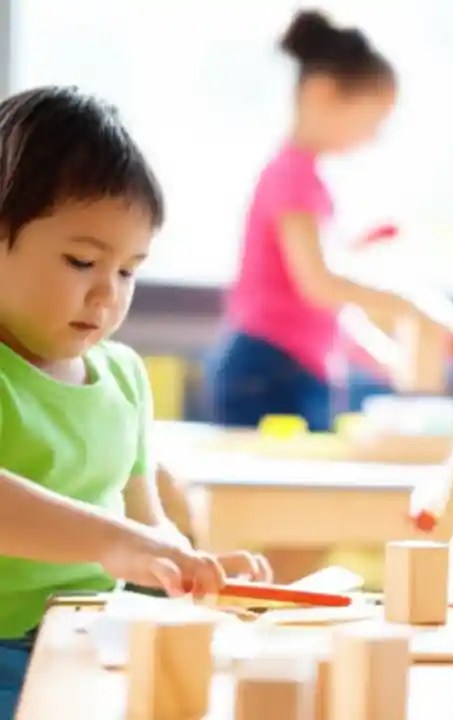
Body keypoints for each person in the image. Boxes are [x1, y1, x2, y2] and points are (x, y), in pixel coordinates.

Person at [0, 86, 269, 720]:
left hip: (89, 640)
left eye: (128, 270)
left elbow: (145, 525)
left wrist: (189, 566)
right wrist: (114, 541)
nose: (106, 295)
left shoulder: (122, 376)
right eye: (82, 260)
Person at [208, 9, 424, 432]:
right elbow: (320, 283)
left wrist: (381, 355)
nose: (373, 137)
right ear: (325, 94)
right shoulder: (293, 178)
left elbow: (320, 306)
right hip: (270, 371)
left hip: (286, 370)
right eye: (373, 119)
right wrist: (408, 306)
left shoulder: (306, 180)